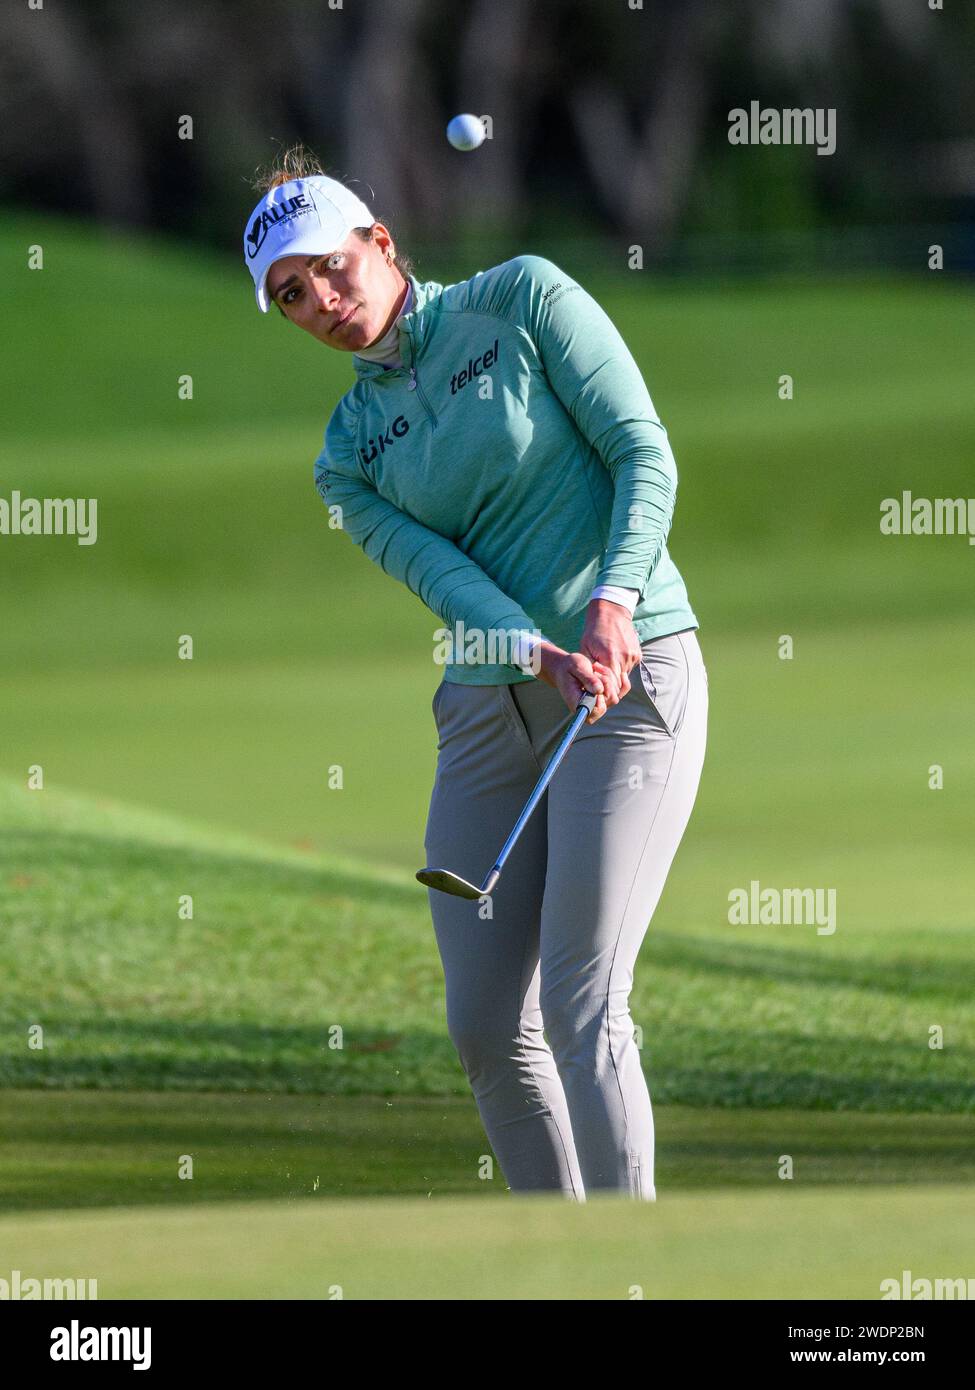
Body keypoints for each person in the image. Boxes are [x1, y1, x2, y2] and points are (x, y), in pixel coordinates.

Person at [243, 147, 708, 1201]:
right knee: (489, 1023)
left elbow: (644, 450)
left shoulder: (525, 297)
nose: (318, 300)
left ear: (381, 243)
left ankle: (635, 1273)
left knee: (586, 1001)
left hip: (627, 684)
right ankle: (562, 1273)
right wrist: (529, 648)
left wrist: (613, 599)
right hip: (487, 709)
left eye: (327, 268)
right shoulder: (347, 452)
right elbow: (439, 571)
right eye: (289, 295)